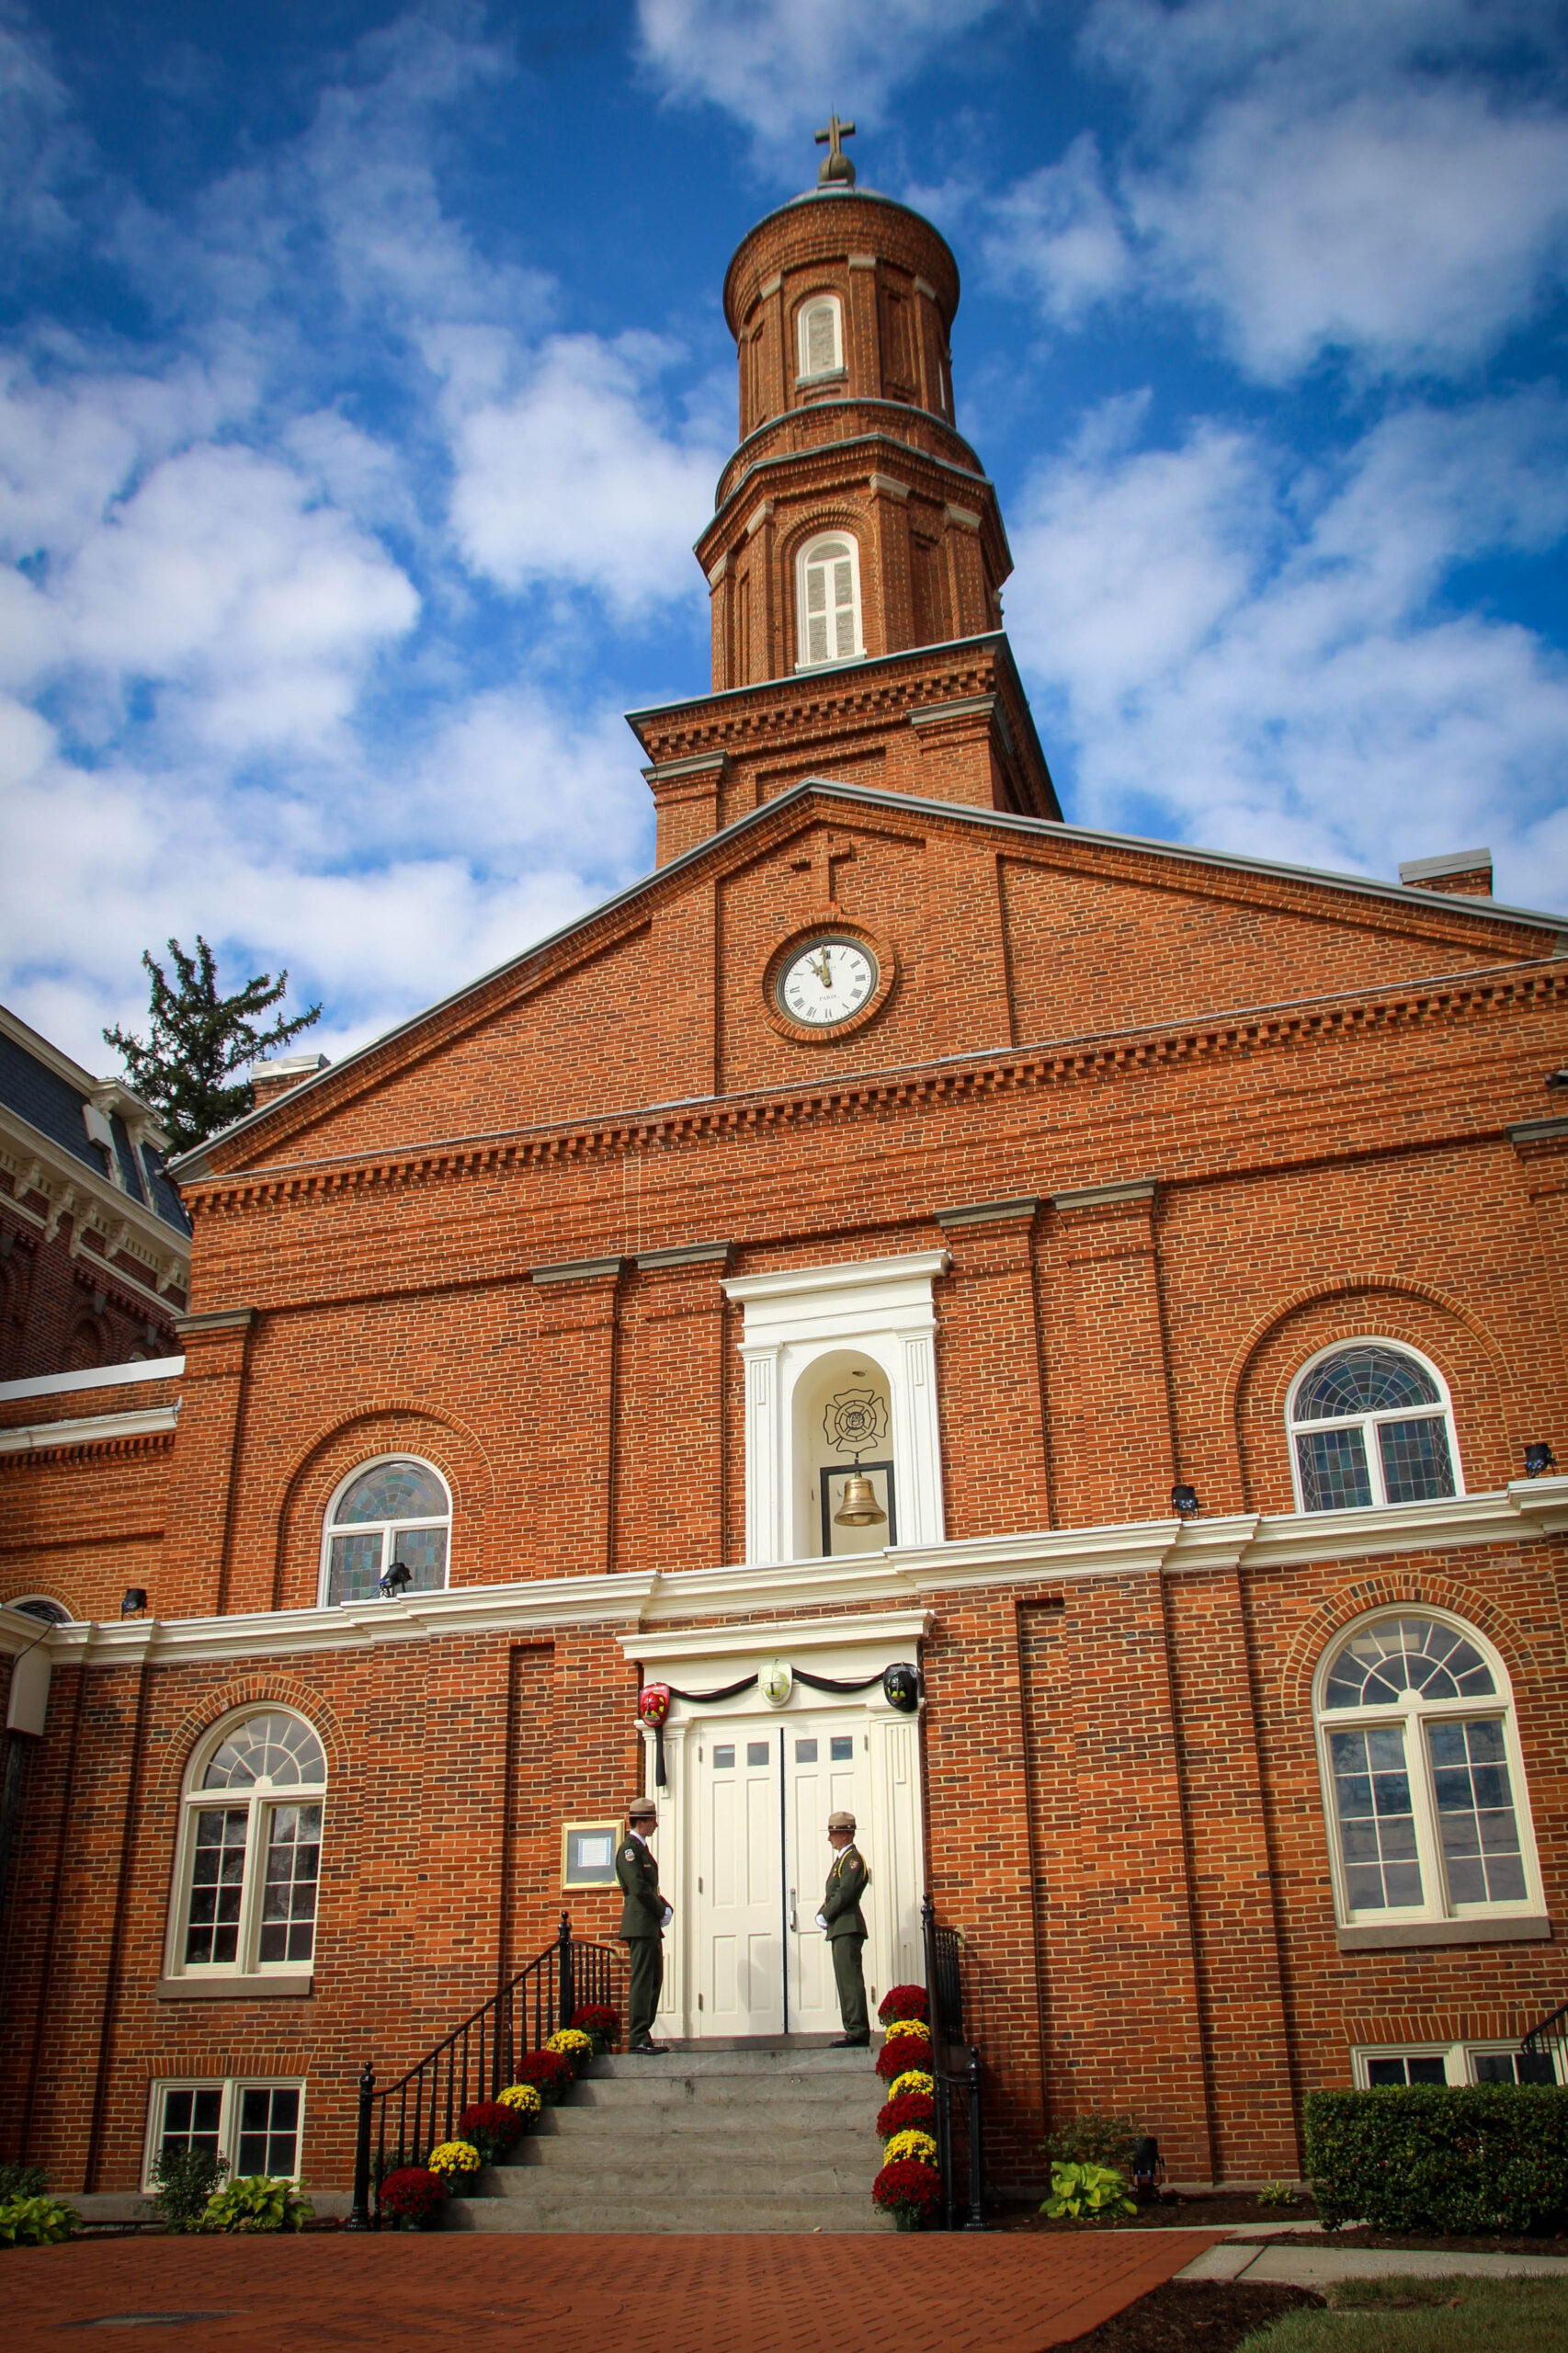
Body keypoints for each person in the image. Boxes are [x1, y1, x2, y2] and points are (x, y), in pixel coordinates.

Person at [617, 1797, 672, 2052]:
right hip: (639, 1923)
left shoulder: (641, 1849)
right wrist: (660, 1909)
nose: (656, 1826)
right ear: (642, 1821)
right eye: (653, 1820)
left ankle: (643, 2034)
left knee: (654, 1979)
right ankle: (638, 2036)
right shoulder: (629, 1850)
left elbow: (648, 1887)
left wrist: (664, 1906)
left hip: (648, 1924)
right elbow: (638, 1887)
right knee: (643, 1979)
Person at [816, 1809, 869, 2047]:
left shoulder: (853, 1861)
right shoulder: (843, 1860)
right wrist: (823, 1911)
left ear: (846, 1835)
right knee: (844, 1978)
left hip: (847, 1925)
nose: (829, 1839)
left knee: (850, 1979)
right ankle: (852, 2027)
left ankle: (857, 2030)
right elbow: (834, 1893)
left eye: (833, 1833)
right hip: (840, 1926)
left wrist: (826, 1914)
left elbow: (845, 1893)